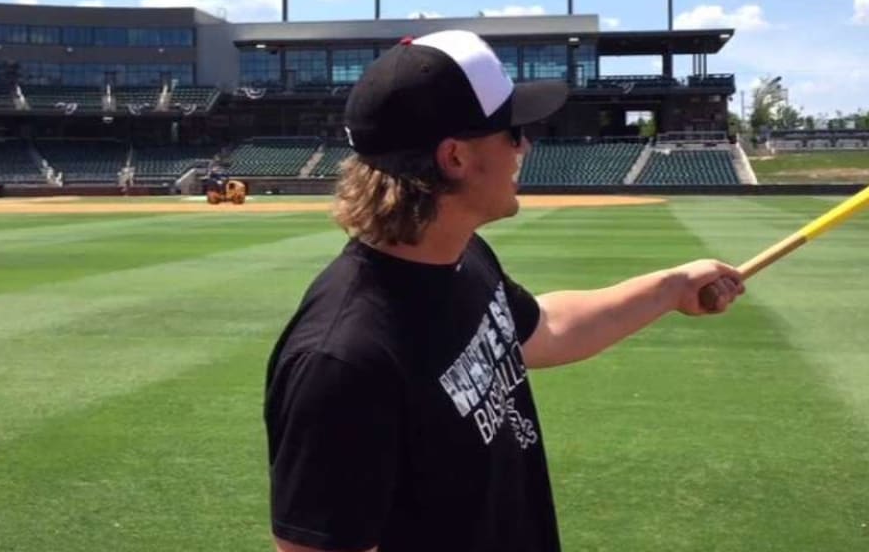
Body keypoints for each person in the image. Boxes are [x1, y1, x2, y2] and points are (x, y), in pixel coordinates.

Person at [262, 30, 746, 552]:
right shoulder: (344, 361)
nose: (525, 146)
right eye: (512, 132)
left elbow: (546, 328)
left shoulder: (463, 258)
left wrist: (672, 289)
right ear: (454, 157)